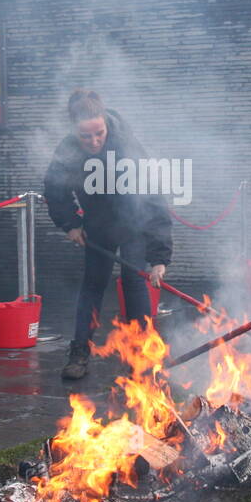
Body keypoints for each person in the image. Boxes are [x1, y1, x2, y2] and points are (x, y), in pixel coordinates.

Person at [44, 90, 172, 381]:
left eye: (98, 134)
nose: (93, 142)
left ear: (106, 125)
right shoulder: (68, 149)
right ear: (74, 129)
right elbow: (54, 189)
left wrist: (160, 256)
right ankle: (79, 352)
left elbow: (153, 197)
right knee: (91, 288)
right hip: (97, 229)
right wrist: (70, 225)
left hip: (133, 226)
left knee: (135, 285)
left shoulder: (127, 146)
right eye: (85, 136)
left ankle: (140, 356)